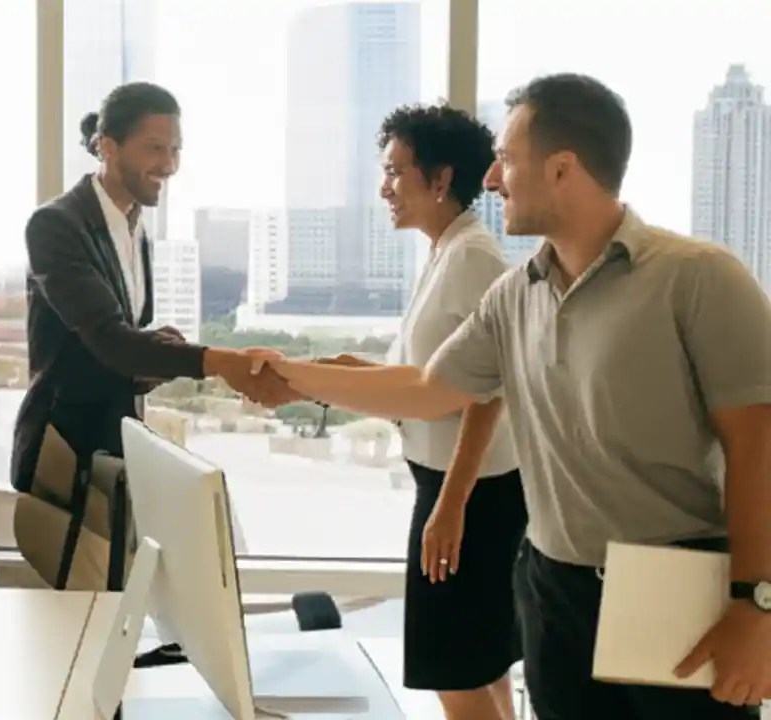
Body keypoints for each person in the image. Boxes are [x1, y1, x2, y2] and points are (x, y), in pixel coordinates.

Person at [259, 74, 771, 719]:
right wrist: (286, 373)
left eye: (507, 158)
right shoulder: (514, 294)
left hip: (674, 589)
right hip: (553, 588)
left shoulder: (699, 278)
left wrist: (756, 606)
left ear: (562, 169)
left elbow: (758, 450)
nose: (494, 179)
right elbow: (426, 389)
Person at [12, 81, 295, 497]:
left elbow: (123, 345)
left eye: (175, 150)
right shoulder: (56, 225)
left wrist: (158, 349)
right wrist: (222, 362)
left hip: (115, 443)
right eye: (155, 148)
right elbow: (109, 341)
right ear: (108, 147)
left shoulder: (136, 228)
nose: (169, 164)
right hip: (64, 451)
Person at [361, 103, 525, 720]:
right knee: (481, 663)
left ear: (440, 179)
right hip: (453, 486)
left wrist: (450, 504)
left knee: (452, 669)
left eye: (396, 172)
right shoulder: (445, 253)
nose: (385, 187)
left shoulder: (474, 259)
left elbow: (491, 386)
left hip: (471, 493)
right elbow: (419, 376)